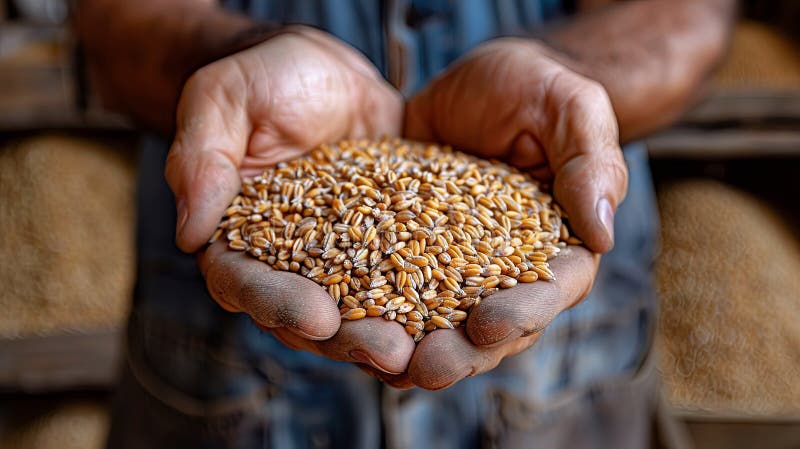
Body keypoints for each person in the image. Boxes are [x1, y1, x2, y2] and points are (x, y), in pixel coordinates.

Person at [77, 1, 734, 447]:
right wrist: (232, 55)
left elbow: (688, 13)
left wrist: (566, 82)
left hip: (571, 373)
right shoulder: (285, 212)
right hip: (219, 363)